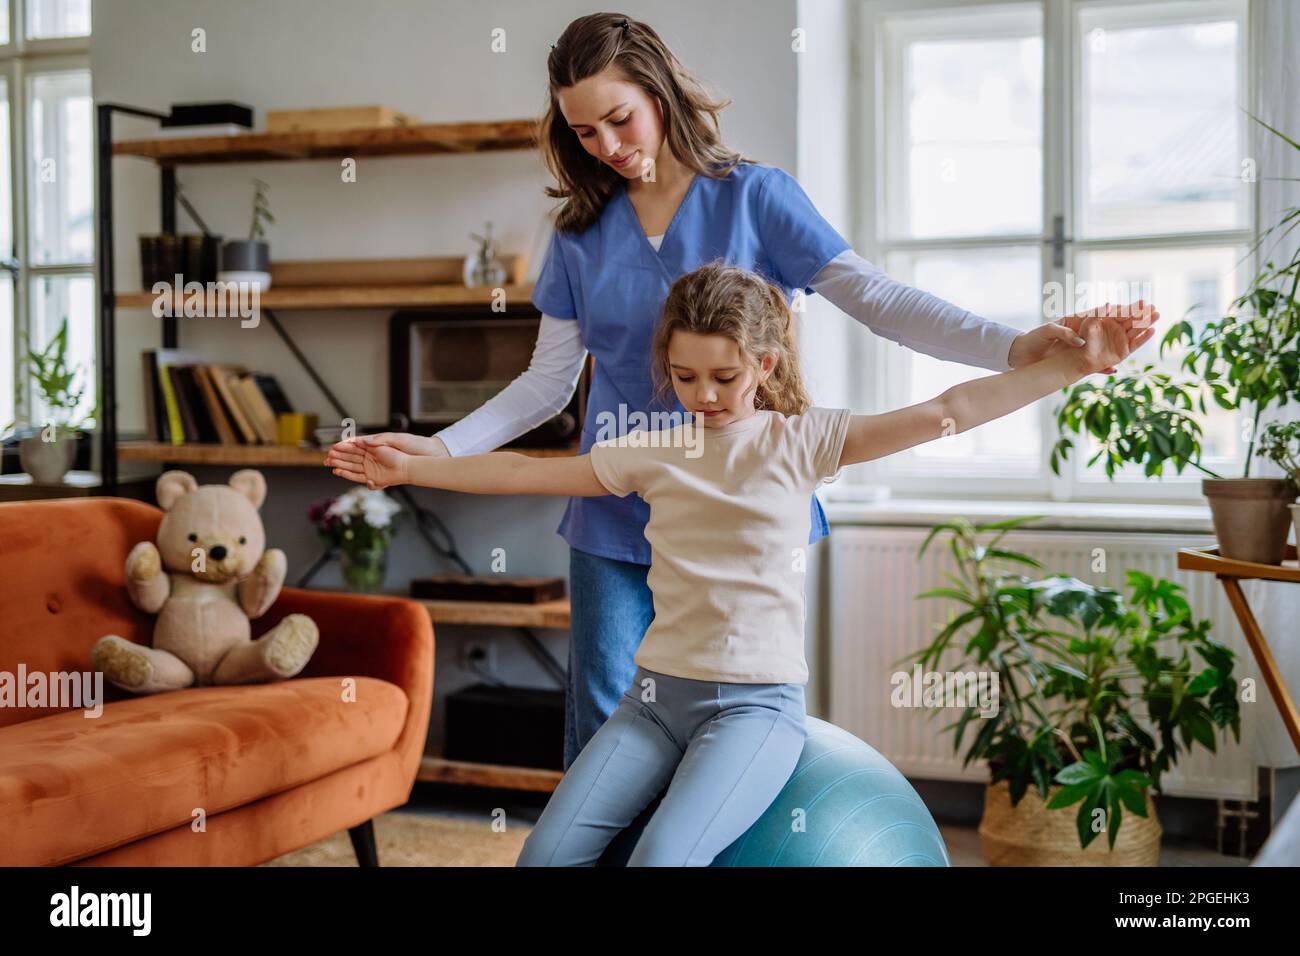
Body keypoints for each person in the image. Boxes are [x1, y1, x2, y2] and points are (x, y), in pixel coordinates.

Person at [329, 261, 1145, 866]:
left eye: (724, 376)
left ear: (766, 363)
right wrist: (417, 463)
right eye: (684, 376)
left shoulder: (804, 442)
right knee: (542, 859)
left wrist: (1071, 364)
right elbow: (524, 470)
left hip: (752, 710)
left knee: (661, 862)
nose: (704, 395)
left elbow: (947, 410)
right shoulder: (655, 447)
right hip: (652, 703)